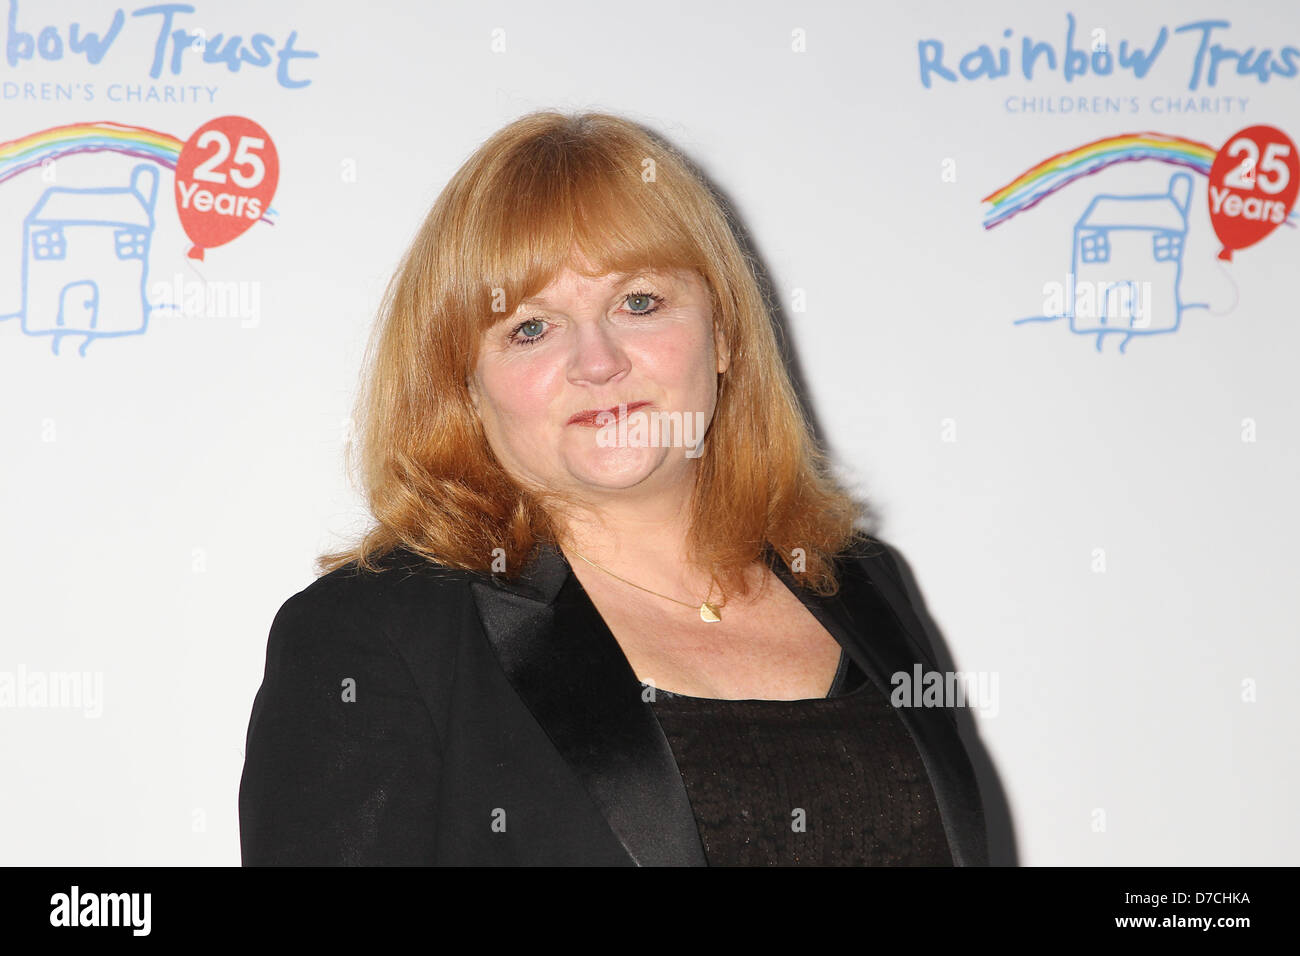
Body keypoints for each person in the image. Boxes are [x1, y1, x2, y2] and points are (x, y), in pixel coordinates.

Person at [237, 110, 989, 866]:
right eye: (531, 328)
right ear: (464, 386)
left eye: (639, 303)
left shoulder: (860, 582)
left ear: (724, 333)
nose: (597, 362)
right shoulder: (374, 637)